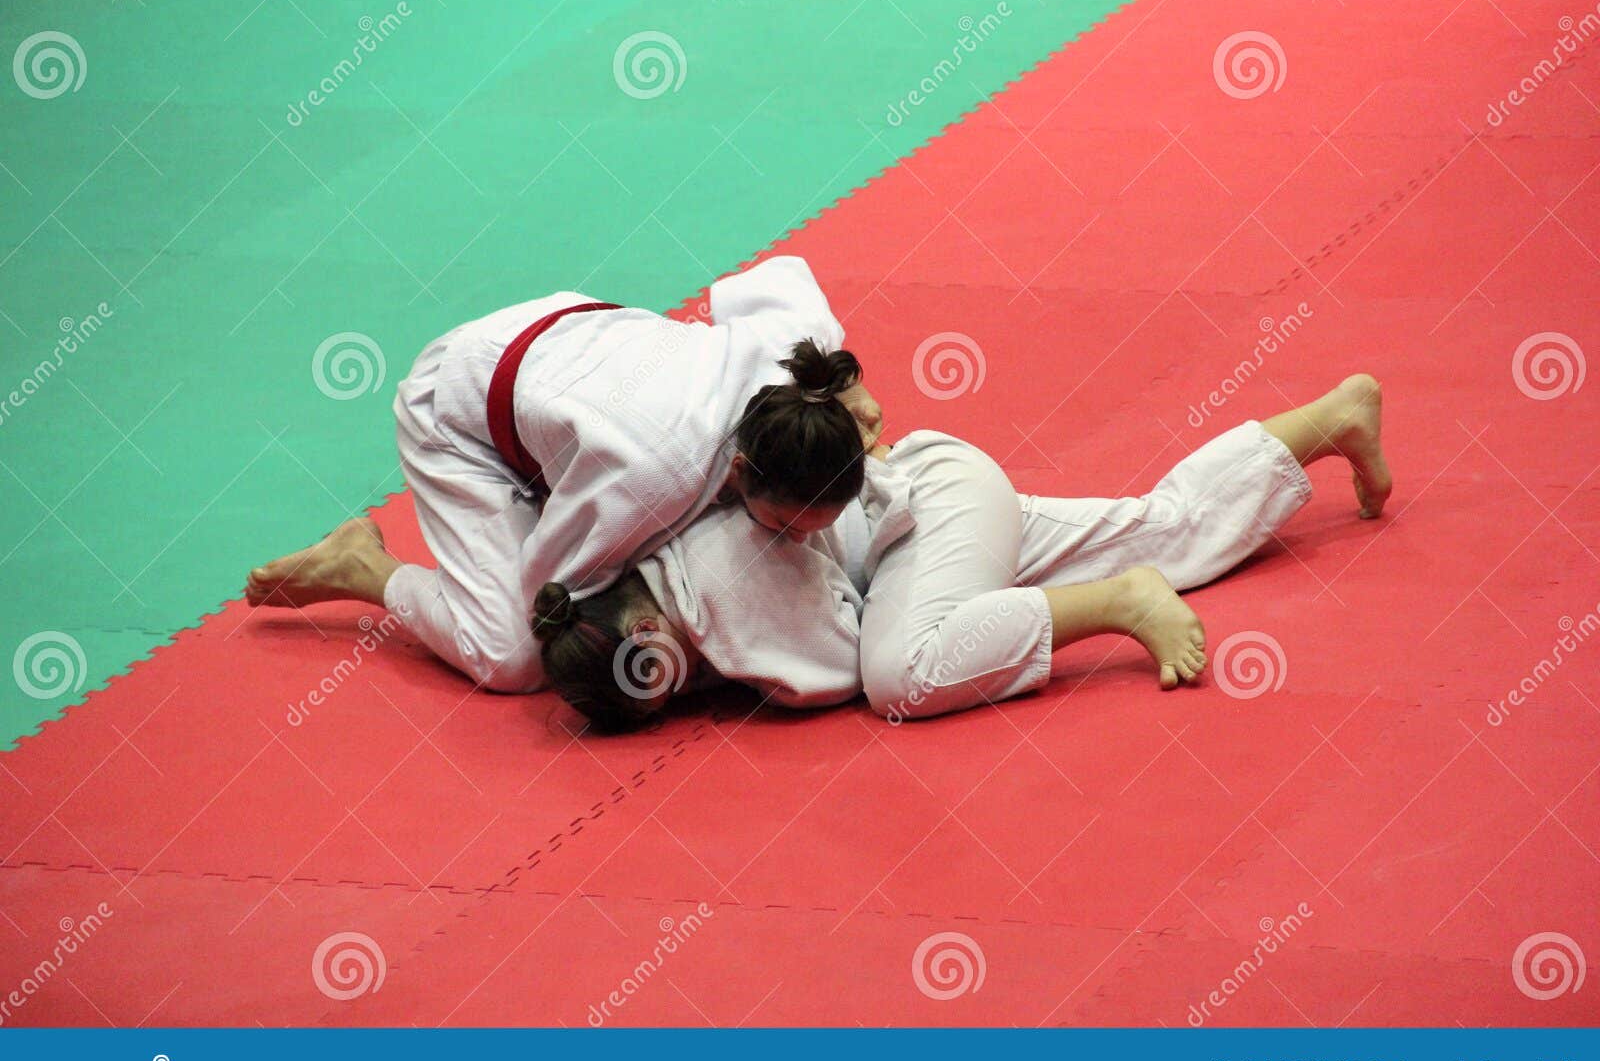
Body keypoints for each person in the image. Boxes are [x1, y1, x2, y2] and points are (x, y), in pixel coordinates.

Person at [531, 375, 1391, 728]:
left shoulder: (714, 595)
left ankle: (1118, 605)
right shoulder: (642, 539)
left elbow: (835, 667)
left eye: (661, 681)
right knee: (1163, 528)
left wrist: (731, 667)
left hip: (928, 518)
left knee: (902, 673)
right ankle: (1331, 418)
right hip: (934, 500)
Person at [244, 256, 879, 693]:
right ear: (740, 467)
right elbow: (548, 594)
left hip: (573, 354)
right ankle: (363, 568)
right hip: (462, 413)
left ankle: (564, 465)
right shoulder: (653, 481)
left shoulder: (806, 353)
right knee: (512, 658)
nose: (794, 540)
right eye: (783, 522)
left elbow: (774, 275)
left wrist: (850, 388)